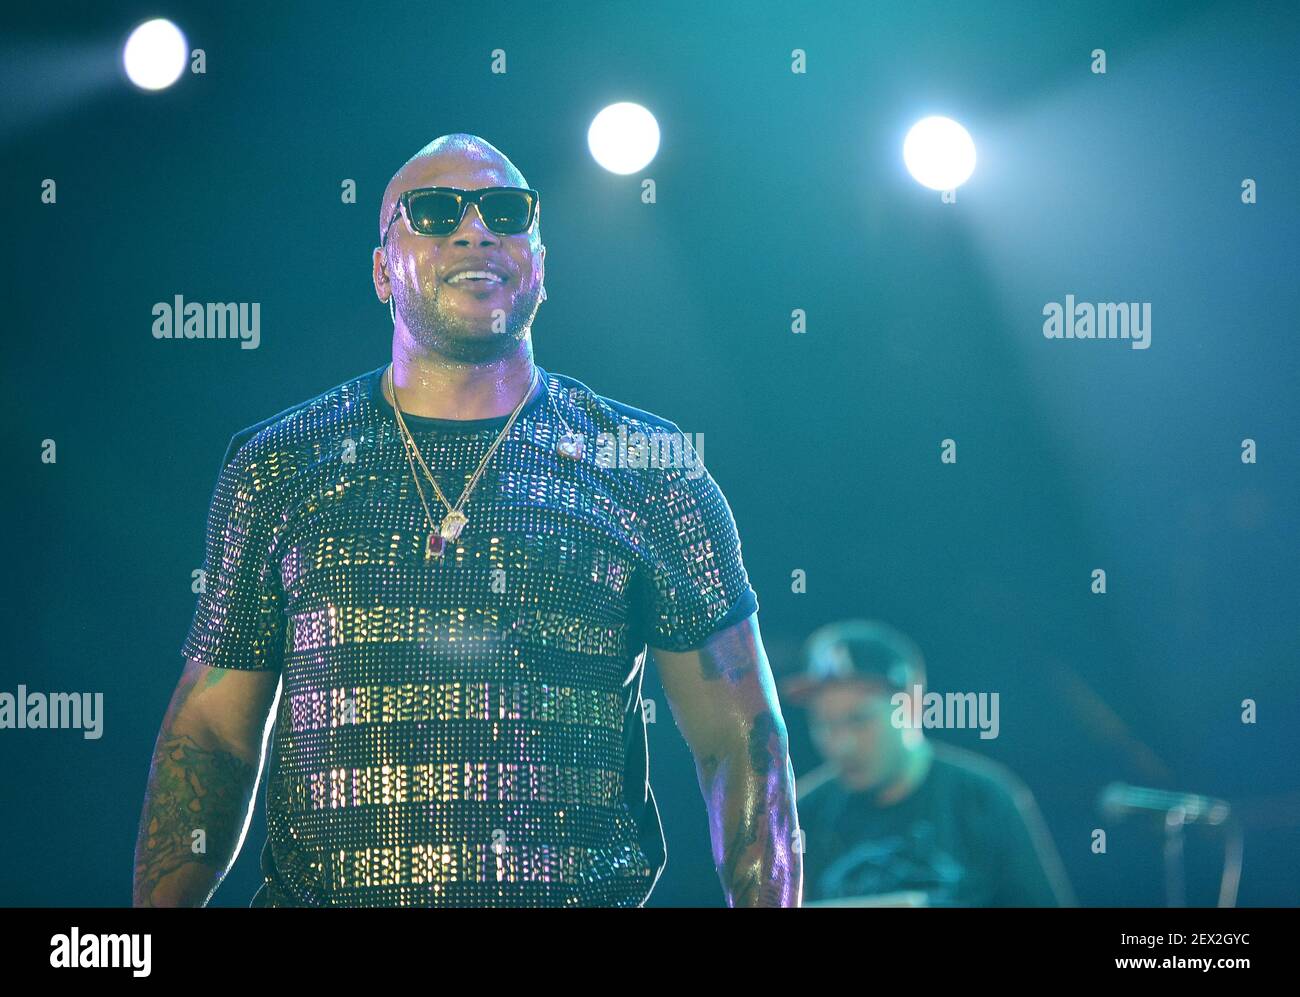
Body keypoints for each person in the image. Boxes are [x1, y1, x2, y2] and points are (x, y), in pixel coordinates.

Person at [132, 133, 800, 908]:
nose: (475, 228)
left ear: (539, 266)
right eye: (436, 210)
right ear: (382, 269)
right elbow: (209, 734)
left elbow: (743, 739)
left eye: (508, 212)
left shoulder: (647, 464)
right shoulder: (280, 465)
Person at [783, 620, 1074, 906]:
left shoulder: (982, 798)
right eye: (823, 724)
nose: (840, 743)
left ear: (910, 704)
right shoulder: (803, 814)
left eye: (859, 719)